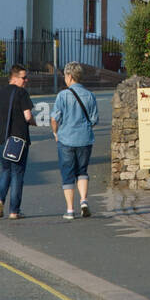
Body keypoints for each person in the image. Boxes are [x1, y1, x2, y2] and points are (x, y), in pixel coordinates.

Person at [51, 61, 99, 220]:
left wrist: (55, 132)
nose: (64, 78)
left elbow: (54, 118)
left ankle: (70, 210)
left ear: (70, 76)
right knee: (82, 171)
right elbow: (94, 120)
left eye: (65, 75)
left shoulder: (62, 95)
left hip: (66, 139)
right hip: (85, 139)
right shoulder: (90, 95)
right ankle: (84, 200)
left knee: (67, 174)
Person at [0, 65, 35, 219]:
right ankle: (14, 211)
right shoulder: (22, 93)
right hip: (18, 140)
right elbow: (28, 116)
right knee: (17, 173)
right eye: (24, 78)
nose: (26, 80)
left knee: (5, 170)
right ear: (14, 78)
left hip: (1, 138)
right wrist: (34, 123)